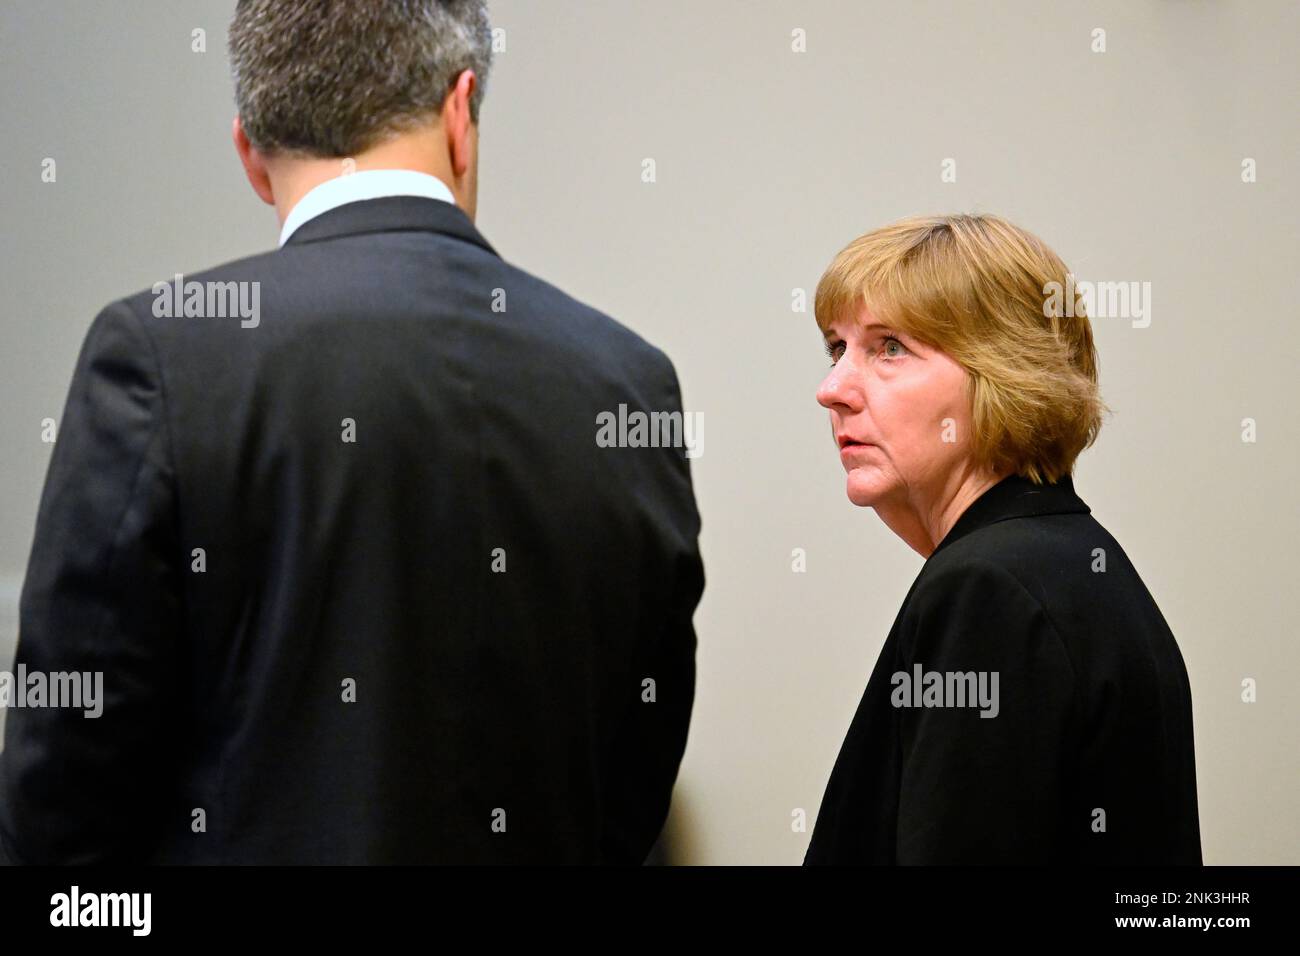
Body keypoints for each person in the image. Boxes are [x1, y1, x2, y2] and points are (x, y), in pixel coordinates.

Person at [0, 0, 703, 864]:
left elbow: (62, 791)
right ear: (461, 111)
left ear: (251, 154)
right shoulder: (627, 379)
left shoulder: (162, 356)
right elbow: (639, 765)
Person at [804, 214, 1201, 864]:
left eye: (889, 348)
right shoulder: (1067, 562)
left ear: (1003, 373)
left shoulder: (992, 588)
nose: (832, 390)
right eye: (835, 348)